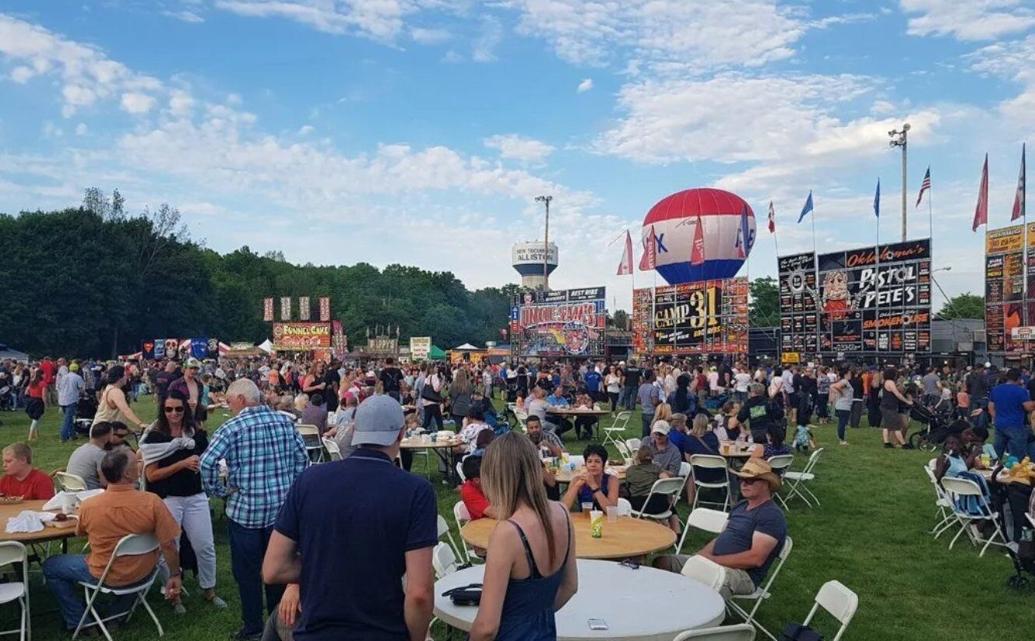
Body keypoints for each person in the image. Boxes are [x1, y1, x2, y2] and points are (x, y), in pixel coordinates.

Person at [262, 394, 437, 641]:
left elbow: (273, 569)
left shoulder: (309, 480)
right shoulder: (415, 491)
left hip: (316, 632)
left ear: (355, 430)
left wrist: (328, 566)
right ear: (400, 434)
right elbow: (419, 592)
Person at [200, 378, 309, 641]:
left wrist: (219, 491)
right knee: (278, 573)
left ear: (240, 399)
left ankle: (252, 628)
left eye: (229, 401)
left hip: (246, 514)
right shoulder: (285, 421)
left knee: (248, 575)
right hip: (281, 516)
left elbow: (206, 463)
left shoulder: (232, 427)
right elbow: (302, 461)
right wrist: (290, 490)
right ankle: (277, 624)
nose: (229, 406)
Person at [42, 449, 183, 633]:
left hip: (106, 574)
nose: (141, 465)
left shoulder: (90, 506)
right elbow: (169, 544)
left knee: (51, 565)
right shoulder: (152, 502)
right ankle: (116, 614)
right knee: (126, 562)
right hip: (143, 571)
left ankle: (79, 621)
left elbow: (80, 533)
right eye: (137, 463)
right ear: (127, 473)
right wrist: (174, 574)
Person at [468, 432, 577, 641]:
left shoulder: (508, 533)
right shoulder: (563, 513)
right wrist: (535, 617)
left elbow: (487, 626)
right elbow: (570, 586)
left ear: (494, 476)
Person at [141, 390, 226, 614]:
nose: (174, 413)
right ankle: (174, 595)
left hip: (195, 495)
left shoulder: (195, 433)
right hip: (168, 498)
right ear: (163, 410)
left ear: (185, 410)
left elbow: (207, 459)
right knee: (170, 548)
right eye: (169, 409)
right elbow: (151, 475)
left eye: (178, 409)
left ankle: (209, 589)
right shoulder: (155, 437)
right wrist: (182, 464)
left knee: (205, 545)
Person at [655, 459, 787, 599]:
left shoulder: (771, 515)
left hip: (742, 574)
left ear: (766, 484)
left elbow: (755, 558)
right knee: (663, 562)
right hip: (715, 561)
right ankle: (663, 603)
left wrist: (712, 561)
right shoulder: (741, 506)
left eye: (750, 480)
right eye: (741, 479)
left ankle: (696, 615)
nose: (743, 484)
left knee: (713, 579)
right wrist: (700, 557)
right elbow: (723, 537)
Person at [626, 444, 680, 531]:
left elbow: (627, 487)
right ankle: (677, 532)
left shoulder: (630, 470)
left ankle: (634, 526)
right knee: (669, 503)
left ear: (638, 457)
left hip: (639, 505)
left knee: (625, 497)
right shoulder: (656, 468)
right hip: (660, 505)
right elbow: (667, 481)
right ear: (652, 457)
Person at [988, 368, 1035, 461]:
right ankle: (1014, 471)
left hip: (999, 424)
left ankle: (991, 469)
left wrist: (996, 418)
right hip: (1016, 425)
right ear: (1018, 378)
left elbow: (991, 407)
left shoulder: (996, 389)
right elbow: (1028, 407)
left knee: (997, 451)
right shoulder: (1020, 391)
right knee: (1017, 455)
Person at [561, 444, 619, 512]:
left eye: (597, 461)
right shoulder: (577, 480)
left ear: (603, 464)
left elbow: (611, 510)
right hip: (584, 520)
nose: (593, 465)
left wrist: (594, 486)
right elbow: (564, 508)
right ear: (585, 464)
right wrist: (576, 486)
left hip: (606, 520)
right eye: (589, 461)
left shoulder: (612, 480)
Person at [93, 365, 150, 432]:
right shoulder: (115, 391)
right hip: (101, 431)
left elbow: (117, 415)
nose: (126, 377)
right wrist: (141, 424)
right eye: (125, 375)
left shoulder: (110, 388)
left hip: (103, 429)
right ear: (119, 377)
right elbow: (125, 410)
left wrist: (128, 429)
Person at [66, 421, 113, 489]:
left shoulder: (79, 449)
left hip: (71, 490)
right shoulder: (100, 454)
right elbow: (105, 483)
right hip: (90, 492)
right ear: (107, 436)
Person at [881, 366, 911, 449]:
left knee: (887, 426)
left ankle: (886, 442)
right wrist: (907, 401)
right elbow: (897, 394)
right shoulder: (890, 382)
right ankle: (903, 443)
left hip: (885, 405)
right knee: (896, 425)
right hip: (890, 406)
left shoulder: (886, 382)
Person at [460, 455, 498, 520]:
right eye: (489, 474)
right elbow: (496, 513)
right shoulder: (468, 491)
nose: (493, 475)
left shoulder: (490, 481)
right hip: (486, 526)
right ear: (477, 480)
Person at [58, 362, 85, 442]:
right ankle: (63, 436)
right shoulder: (77, 377)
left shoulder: (64, 377)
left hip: (62, 399)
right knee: (67, 419)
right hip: (71, 399)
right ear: (77, 369)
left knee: (69, 419)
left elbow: (59, 386)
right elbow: (81, 388)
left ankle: (73, 435)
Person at [830, 366, 854, 446]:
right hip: (844, 405)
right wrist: (841, 392)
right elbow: (835, 386)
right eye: (850, 373)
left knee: (842, 422)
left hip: (843, 405)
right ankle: (841, 439)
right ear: (846, 374)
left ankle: (841, 437)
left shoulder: (845, 381)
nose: (851, 375)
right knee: (842, 423)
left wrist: (839, 392)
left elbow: (832, 386)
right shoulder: (845, 381)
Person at [637, 370, 661, 437]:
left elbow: (638, 400)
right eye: (654, 374)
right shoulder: (653, 388)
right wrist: (661, 402)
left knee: (645, 433)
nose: (655, 376)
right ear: (651, 376)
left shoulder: (641, 387)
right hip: (652, 413)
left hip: (644, 412)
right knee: (653, 433)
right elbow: (654, 402)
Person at [23, 368, 45, 441]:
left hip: (31, 400)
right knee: (36, 419)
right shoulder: (43, 383)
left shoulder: (31, 382)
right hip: (39, 401)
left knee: (35, 419)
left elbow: (26, 392)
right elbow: (44, 395)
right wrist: (46, 403)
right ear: (41, 375)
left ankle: (36, 435)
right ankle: (30, 437)